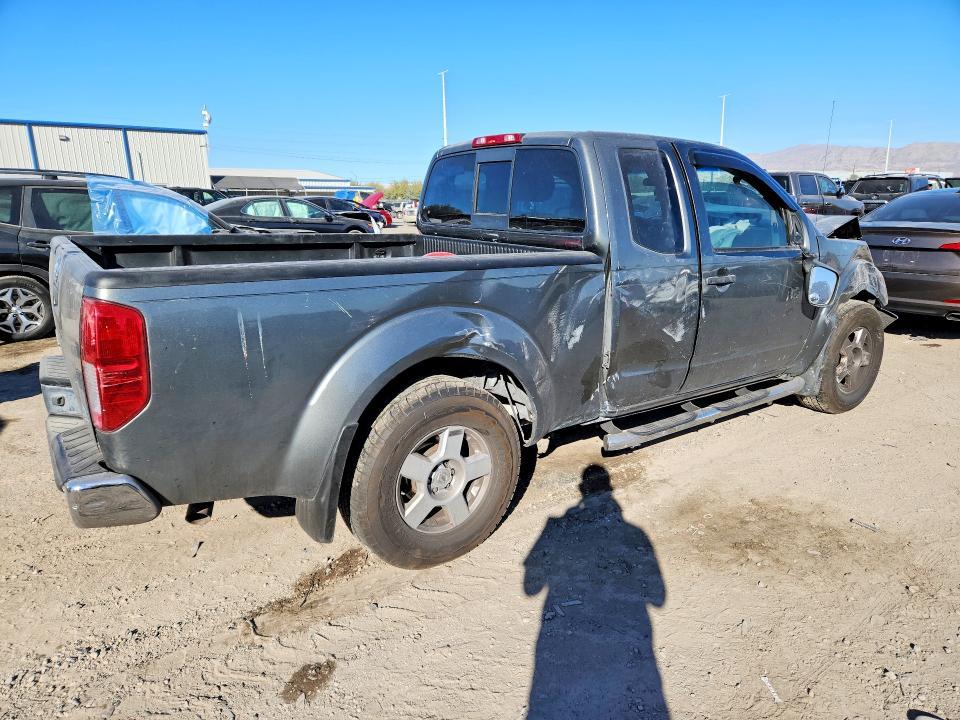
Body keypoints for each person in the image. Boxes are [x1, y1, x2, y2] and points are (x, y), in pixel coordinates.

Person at [523, 465, 669, 719]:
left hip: (559, 654)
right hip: (627, 646)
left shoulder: (555, 528)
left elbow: (530, 588)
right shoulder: (636, 534)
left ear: (582, 490)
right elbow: (658, 598)